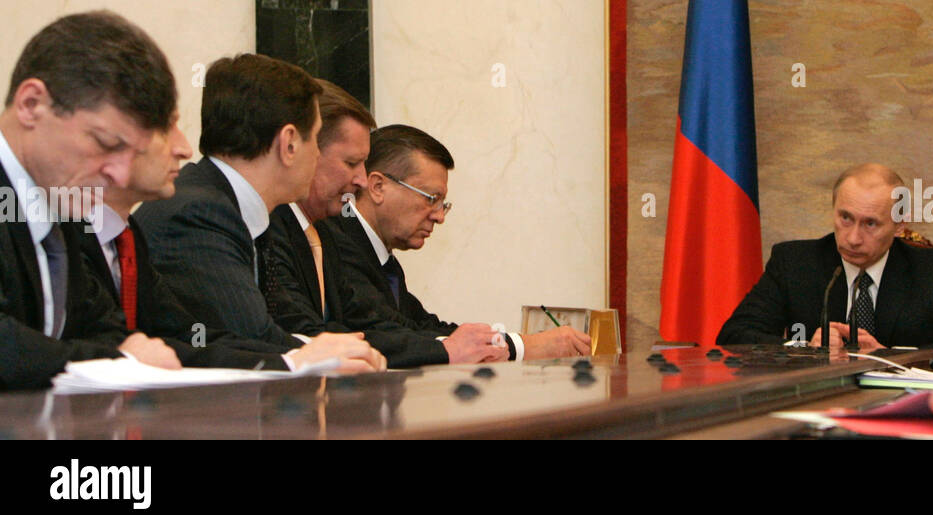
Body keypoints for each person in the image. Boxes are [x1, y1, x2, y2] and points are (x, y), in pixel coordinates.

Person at [133, 54, 384, 372]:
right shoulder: (200, 212)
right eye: (315, 141)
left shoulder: (236, 206)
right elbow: (250, 333)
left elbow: (269, 327)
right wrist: (324, 352)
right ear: (289, 143)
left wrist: (329, 349)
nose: (318, 155)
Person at [83, 105, 374, 372]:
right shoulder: (198, 210)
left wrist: (300, 357)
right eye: (165, 128)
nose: (184, 148)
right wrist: (295, 360)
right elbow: (249, 331)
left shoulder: (126, 232)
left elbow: (188, 336)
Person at [262, 81, 506, 365]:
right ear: (297, 150)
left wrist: (491, 345)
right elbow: (304, 332)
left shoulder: (320, 232)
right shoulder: (275, 224)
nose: (361, 180)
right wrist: (448, 350)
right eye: (351, 163)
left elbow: (395, 326)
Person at [0, 11, 183, 388]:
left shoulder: (59, 202)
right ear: (31, 104)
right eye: (105, 143)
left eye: (132, 154)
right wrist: (119, 361)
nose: (119, 174)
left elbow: (102, 326)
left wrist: (122, 352)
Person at [325, 124, 591, 360]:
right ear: (378, 187)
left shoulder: (382, 259)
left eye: (443, 204)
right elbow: (389, 334)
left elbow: (424, 327)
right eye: (431, 198)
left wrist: (510, 343)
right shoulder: (338, 244)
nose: (439, 216)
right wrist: (521, 346)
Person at [715, 163, 933, 368]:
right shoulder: (794, 263)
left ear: (900, 223)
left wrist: (891, 356)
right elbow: (734, 335)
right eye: (845, 218)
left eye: (871, 224)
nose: (853, 238)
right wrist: (804, 350)